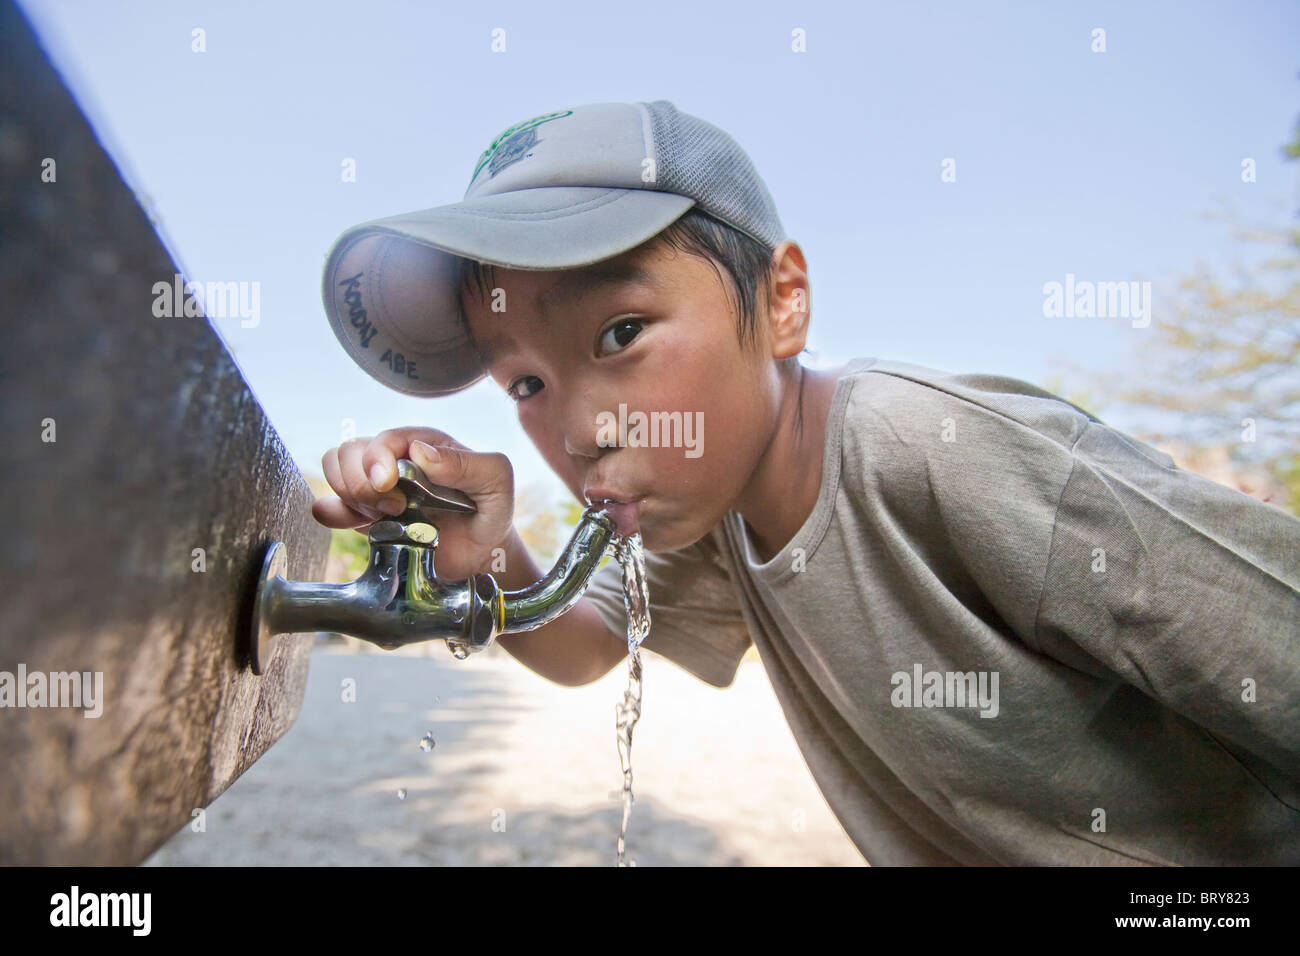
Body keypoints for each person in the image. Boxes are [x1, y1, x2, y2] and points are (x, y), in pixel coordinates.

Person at [312, 100, 1300, 865]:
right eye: (525, 381)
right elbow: (585, 646)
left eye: (620, 333)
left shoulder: (931, 446)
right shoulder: (713, 516)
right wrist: (495, 556)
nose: (575, 428)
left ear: (782, 302)